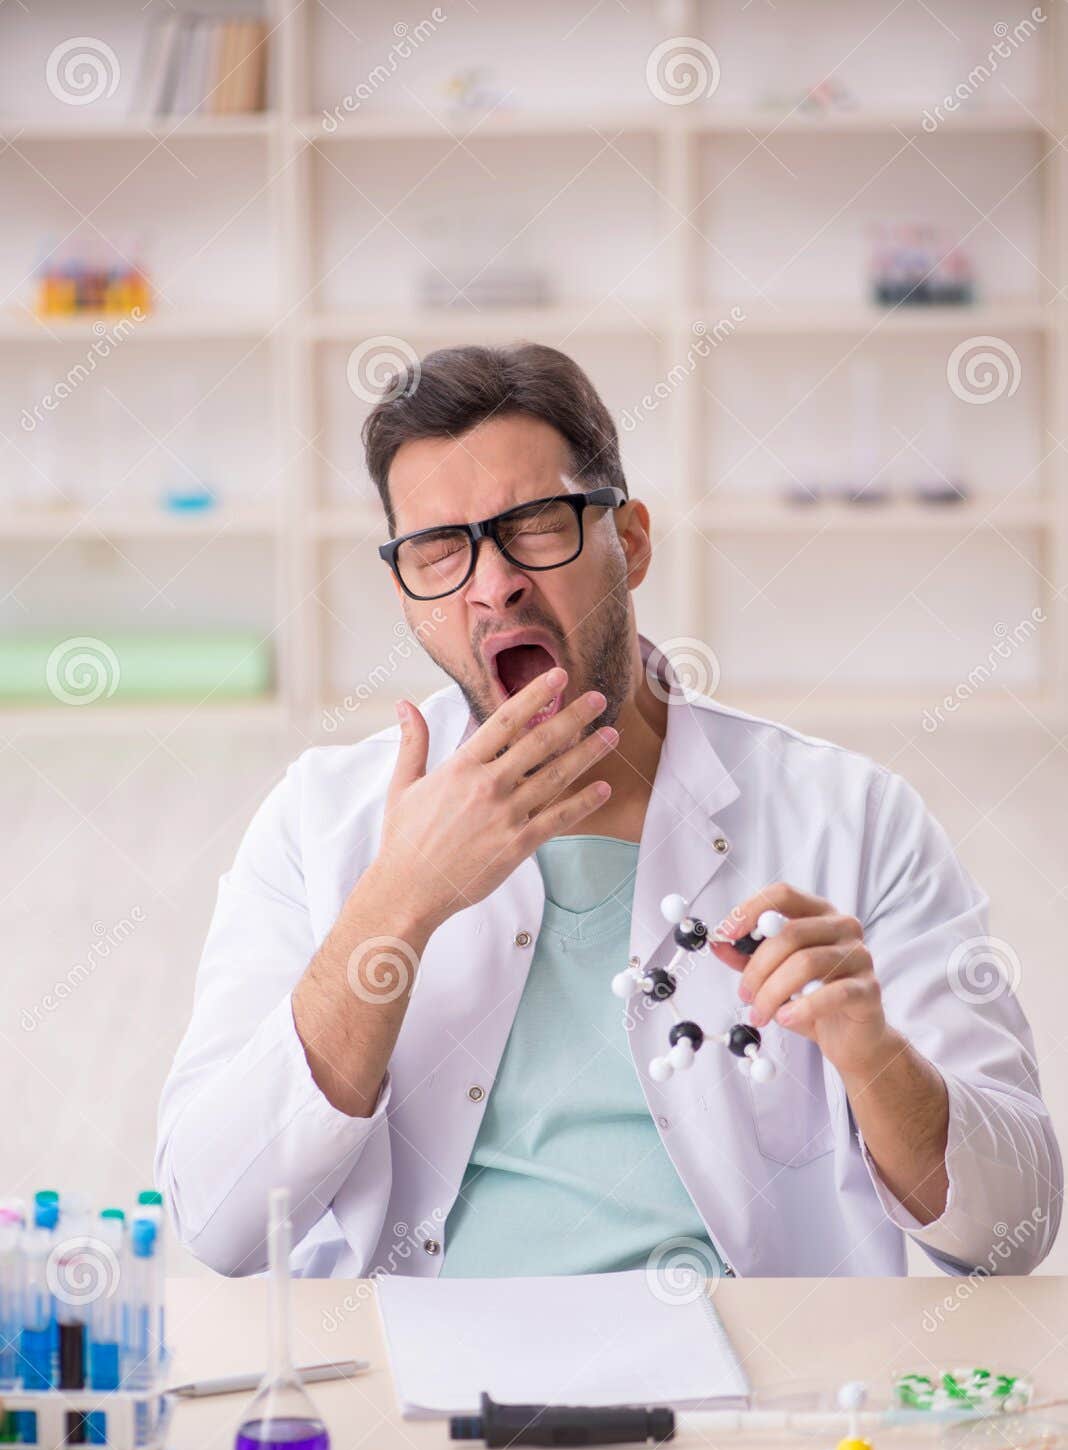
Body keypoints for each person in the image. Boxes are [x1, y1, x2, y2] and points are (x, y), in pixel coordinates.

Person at [156, 342, 1060, 1280]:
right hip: (423, 1385)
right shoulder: (318, 822)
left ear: (627, 542)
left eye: (537, 525)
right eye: (440, 549)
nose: (493, 583)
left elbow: (1014, 1235)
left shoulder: (851, 816)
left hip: (748, 1393)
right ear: (407, 595)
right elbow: (219, 1221)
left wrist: (873, 1057)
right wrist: (397, 905)